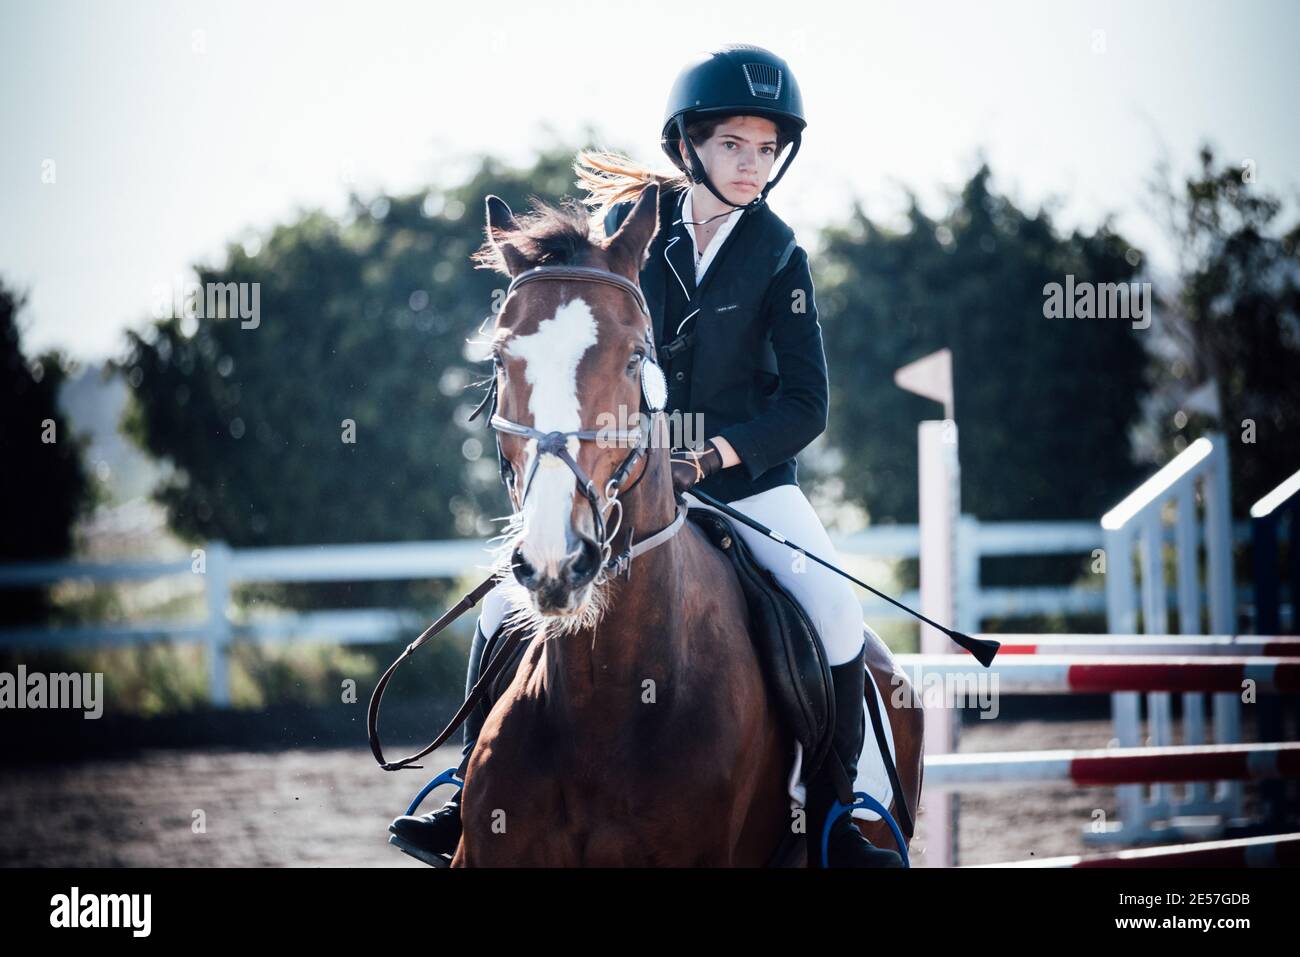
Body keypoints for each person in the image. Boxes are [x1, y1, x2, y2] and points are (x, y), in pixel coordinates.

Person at [390, 44, 901, 868]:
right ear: (688, 145)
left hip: (748, 484)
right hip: (622, 477)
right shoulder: (632, 235)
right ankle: (466, 792)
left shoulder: (781, 255)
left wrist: (716, 456)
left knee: (837, 615)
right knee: (499, 610)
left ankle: (836, 816)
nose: (753, 164)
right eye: (733, 145)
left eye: (767, 148)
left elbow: (807, 403)